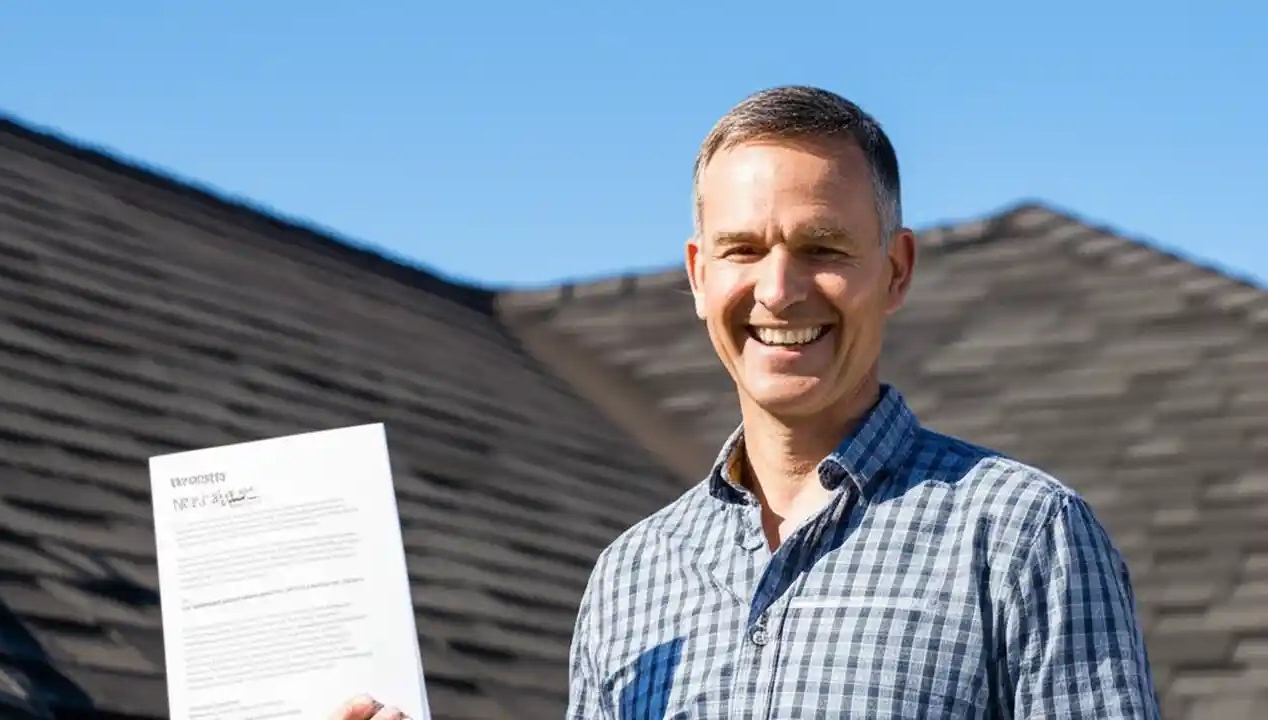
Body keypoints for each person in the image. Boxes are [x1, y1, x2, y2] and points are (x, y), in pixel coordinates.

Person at [331, 85, 1160, 719]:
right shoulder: (630, 576)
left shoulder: (1023, 536)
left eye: (822, 247)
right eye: (743, 249)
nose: (780, 289)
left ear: (897, 270)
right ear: (699, 275)